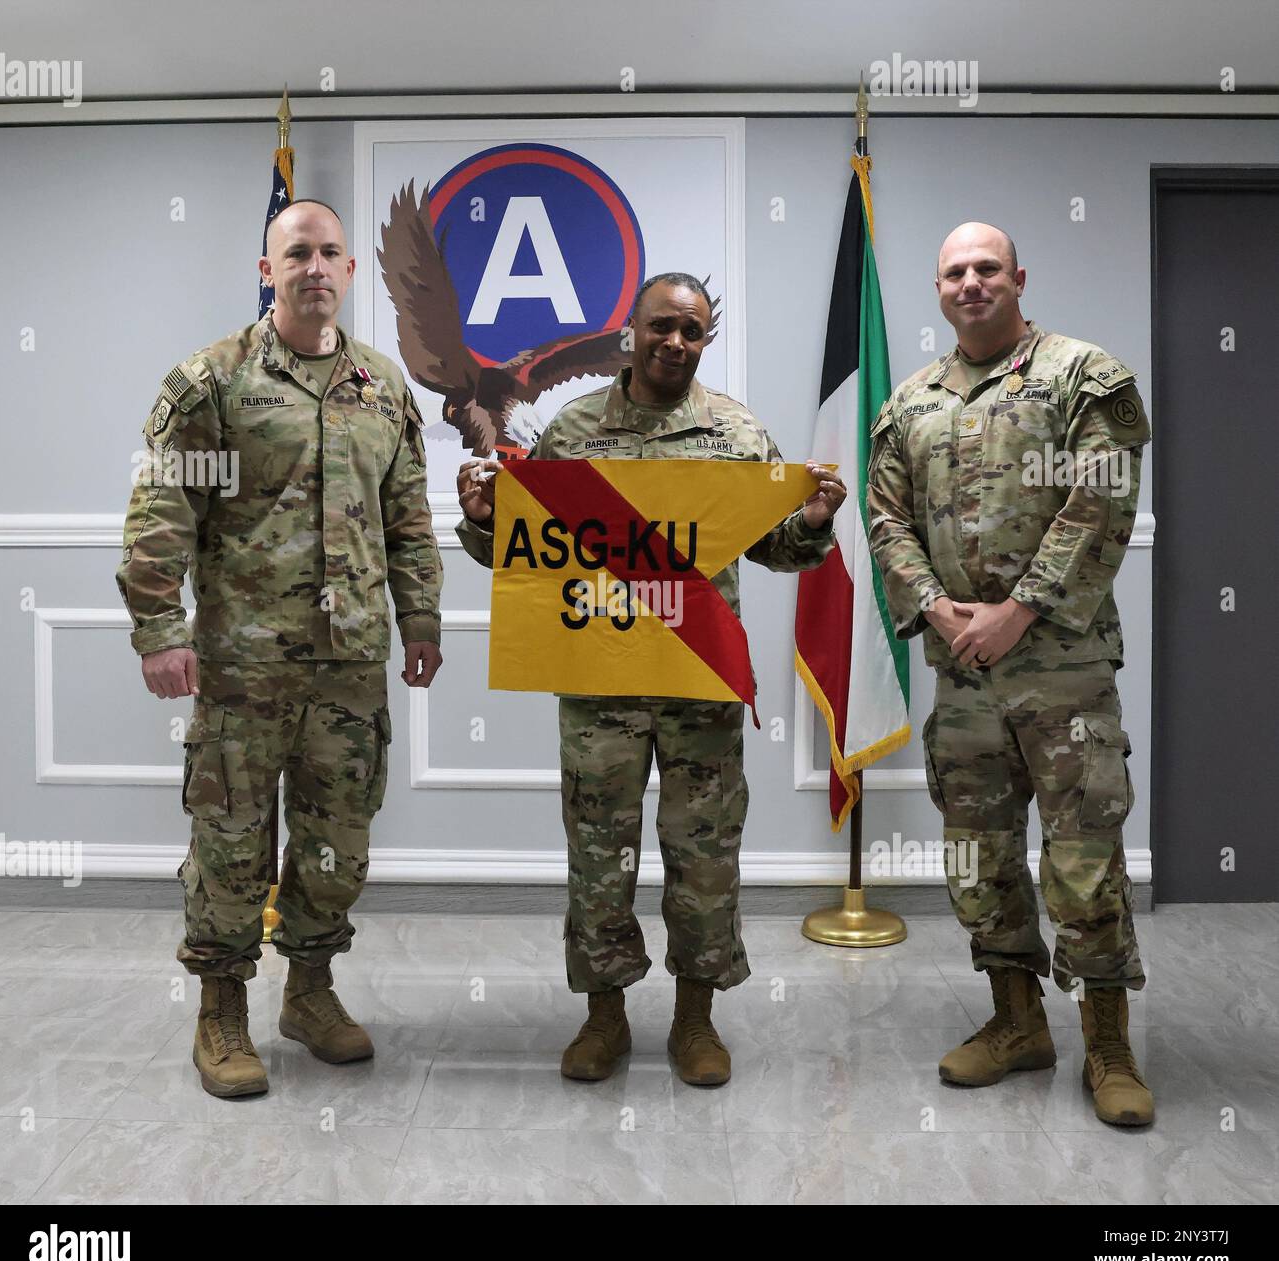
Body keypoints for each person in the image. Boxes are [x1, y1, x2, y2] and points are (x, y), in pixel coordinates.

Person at [455, 272, 846, 1086]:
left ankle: (696, 1020)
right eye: (661, 326)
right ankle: (604, 1017)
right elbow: (521, 556)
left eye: (692, 331)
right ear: (630, 331)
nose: (675, 342)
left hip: (699, 680)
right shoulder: (573, 429)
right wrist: (484, 520)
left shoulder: (736, 432)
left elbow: (776, 547)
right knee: (599, 855)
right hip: (598, 682)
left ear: (706, 339)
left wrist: (809, 521)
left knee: (703, 856)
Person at [117, 199, 443, 1098]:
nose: (314, 266)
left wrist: (420, 621)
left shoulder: (382, 386)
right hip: (242, 666)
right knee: (231, 843)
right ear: (269, 269)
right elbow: (161, 514)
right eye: (296, 252)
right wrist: (158, 630)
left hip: (352, 666)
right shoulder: (212, 382)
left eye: (330, 252)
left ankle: (310, 991)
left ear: (347, 272)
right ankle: (221, 1007)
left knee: (337, 843)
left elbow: (409, 519)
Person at [867, 222, 1154, 1126]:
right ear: (939, 290)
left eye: (988, 267)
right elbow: (885, 518)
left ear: (1018, 277)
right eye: (955, 271)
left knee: (1083, 861)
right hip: (962, 676)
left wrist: (1018, 608)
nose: (972, 282)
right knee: (976, 860)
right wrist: (938, 608)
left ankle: (1107, 1042)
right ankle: (1016, 1021)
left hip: (1061, 671)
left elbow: (1102, 496)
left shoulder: (1082, 375)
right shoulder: (909, 402)